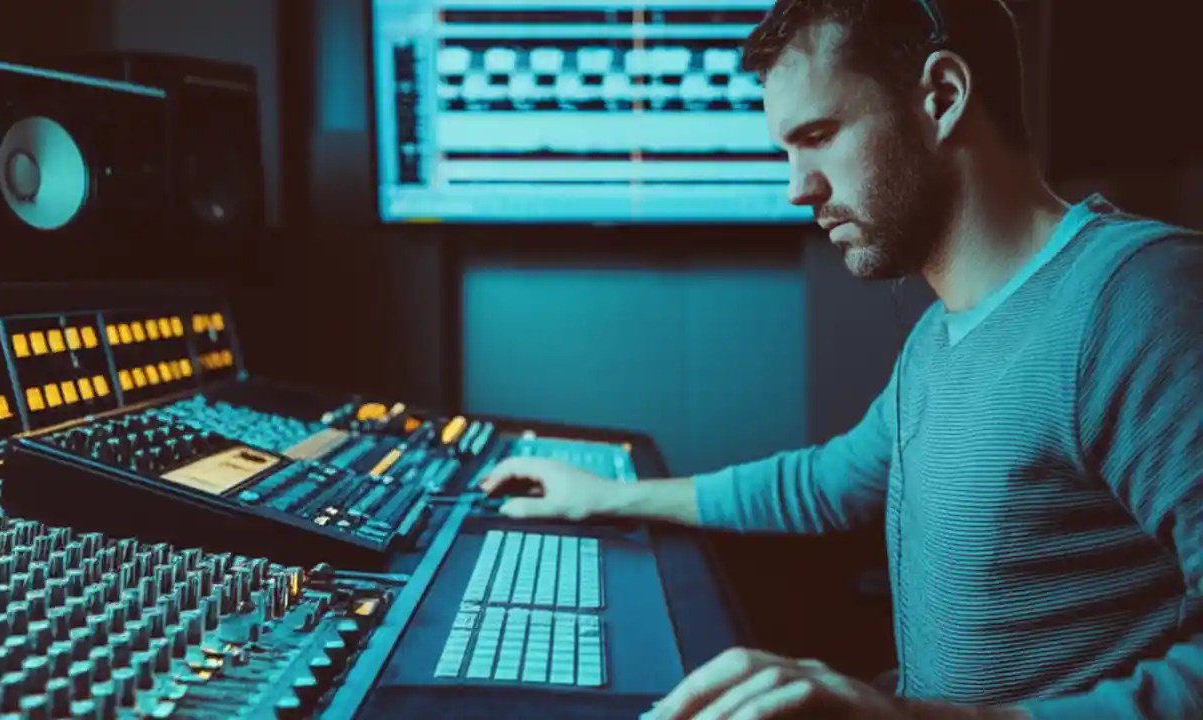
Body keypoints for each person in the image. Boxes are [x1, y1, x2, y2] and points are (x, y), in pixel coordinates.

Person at [479, 0, 1203, 718]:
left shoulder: (1140, 299)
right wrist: (607, 496)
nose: (799, 188)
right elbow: (827, 483)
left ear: (942, 97)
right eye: (787, 152)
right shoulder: (937, 340)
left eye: (820, 135)